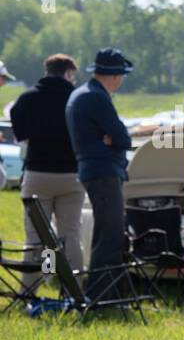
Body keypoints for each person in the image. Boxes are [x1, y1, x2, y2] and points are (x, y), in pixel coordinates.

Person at [10, 54, 84, 288]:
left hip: (38, 172)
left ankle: (37, 282)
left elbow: (19, 131)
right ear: (69, 73)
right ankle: (72, 285)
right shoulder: (76, 98)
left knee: (38, 236)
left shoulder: (28, 98)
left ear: (47, 70)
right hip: (72, 175)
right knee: (70, 234)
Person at [66, 47, 133, 299]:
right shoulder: (97, 98)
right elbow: (123, 138)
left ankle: (106, 293)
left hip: (92, 170)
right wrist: (111, 139)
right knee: (110, 234)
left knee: (107, 231)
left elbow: (115, 137)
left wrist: (112, 139)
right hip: (104, 172)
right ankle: (101, 296)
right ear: (115, 76)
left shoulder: (82, 94)